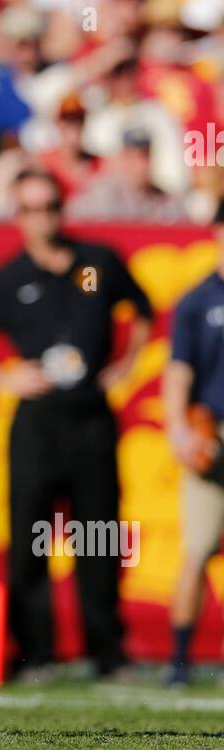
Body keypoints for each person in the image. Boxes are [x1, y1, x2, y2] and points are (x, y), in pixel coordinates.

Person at [0, 169, 153, 681]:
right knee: (30, 539)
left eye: (51, 206)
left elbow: (143, 310)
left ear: (63, 208)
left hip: (90, 420)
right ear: (20, 216)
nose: (43, 218)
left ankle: (109, 654)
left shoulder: (97, 263)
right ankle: (34, 653)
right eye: (32, 209)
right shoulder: (10, 277)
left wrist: (124, 366)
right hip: (36, 423)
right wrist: (3, 377)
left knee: (98, 537)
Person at [163, 203, 224, 684]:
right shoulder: (198, 301)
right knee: (199, 547)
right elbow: (179, 372)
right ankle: (180, 661)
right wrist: (179, 429)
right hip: (213, 436)